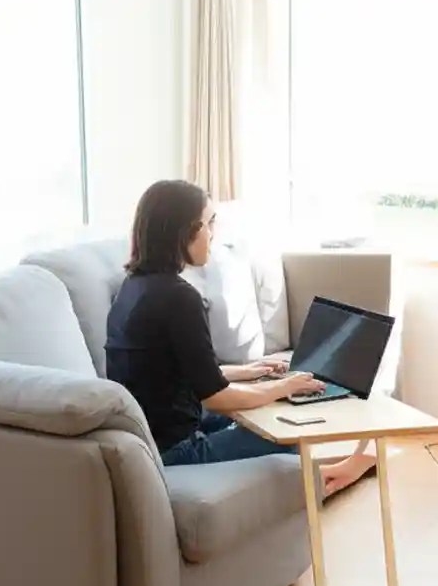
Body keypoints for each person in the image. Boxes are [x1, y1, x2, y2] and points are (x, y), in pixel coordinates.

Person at [104, 179, 376, 494]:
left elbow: (173, 372)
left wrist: (250, 372)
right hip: (176, 452)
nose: (212, 234)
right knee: (281, 432)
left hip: (155, 437)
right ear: (185, 231)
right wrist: (283, 386)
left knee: (265, 411)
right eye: (208, 224)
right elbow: (216, 396)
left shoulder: (134, 286)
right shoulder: (179, 297)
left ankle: (326, 470)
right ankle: (332, 477)